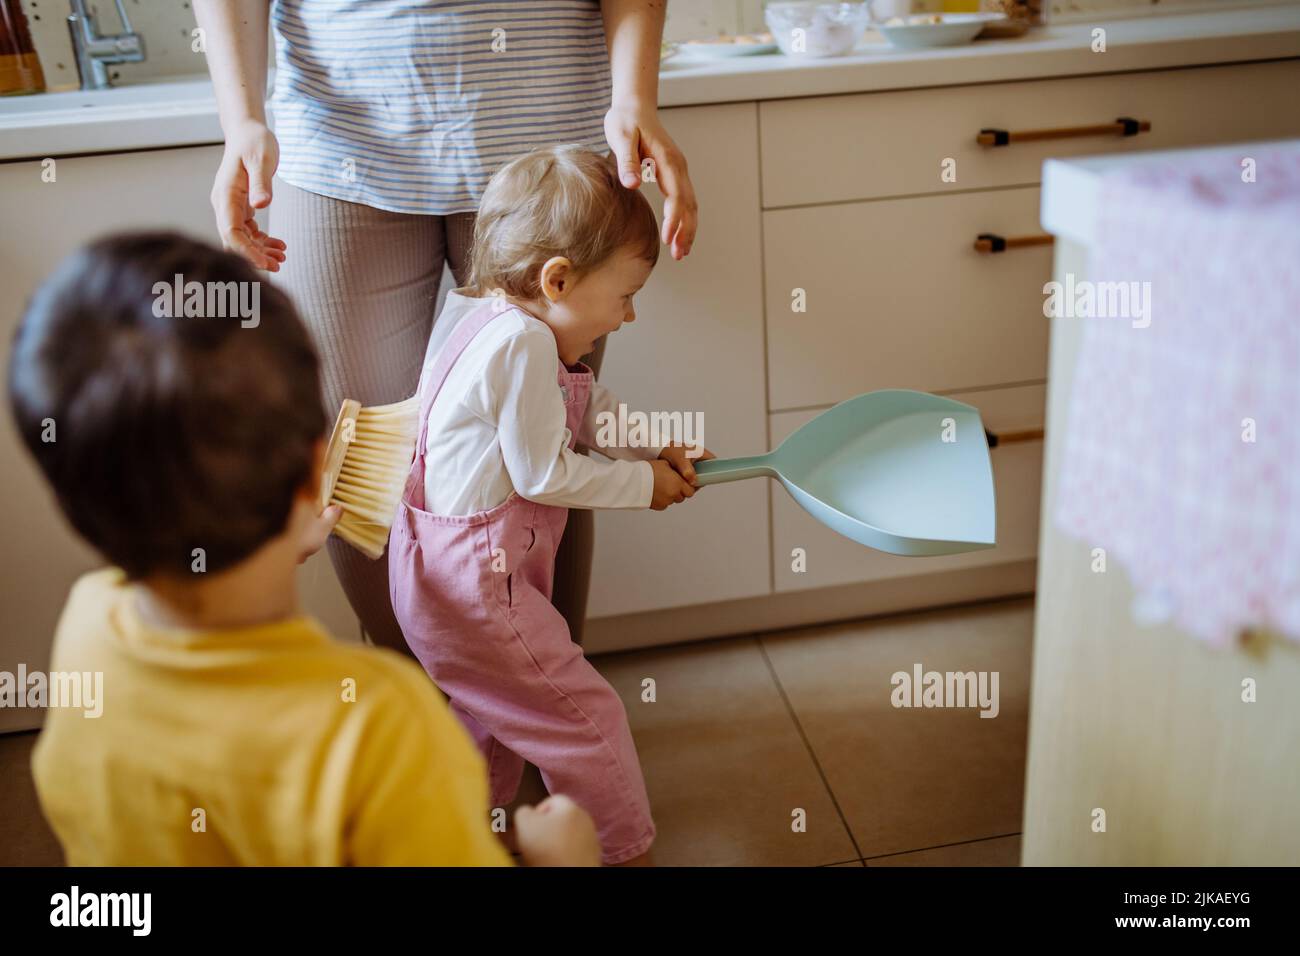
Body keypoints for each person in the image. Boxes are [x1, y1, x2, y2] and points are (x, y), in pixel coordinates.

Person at [9, 232, 600, 866]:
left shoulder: (86, 628)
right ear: (315, 470)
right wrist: (550, 858)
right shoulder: (379, 724)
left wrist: (282, 533)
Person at [194, 0, 699, 655]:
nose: (628, 315)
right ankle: (428, 723)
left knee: (550, 427)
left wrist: (635, 96)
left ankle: (541, 698)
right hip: (338, 136)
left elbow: (561, 446)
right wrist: (242, 120)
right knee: (363, 465)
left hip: (544, 145)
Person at [390, 146, 714, 866]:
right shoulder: (523, 346)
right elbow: (541, 471)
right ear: (558, 279)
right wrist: (642, 487)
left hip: (440, 575)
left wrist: (651, 445)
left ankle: (456, 843)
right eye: (625, 295)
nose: (628, 316)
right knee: (583, 717)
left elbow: (586, 405)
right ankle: (623, 851)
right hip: (482, 586)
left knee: (488, 715)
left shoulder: (487, 316)